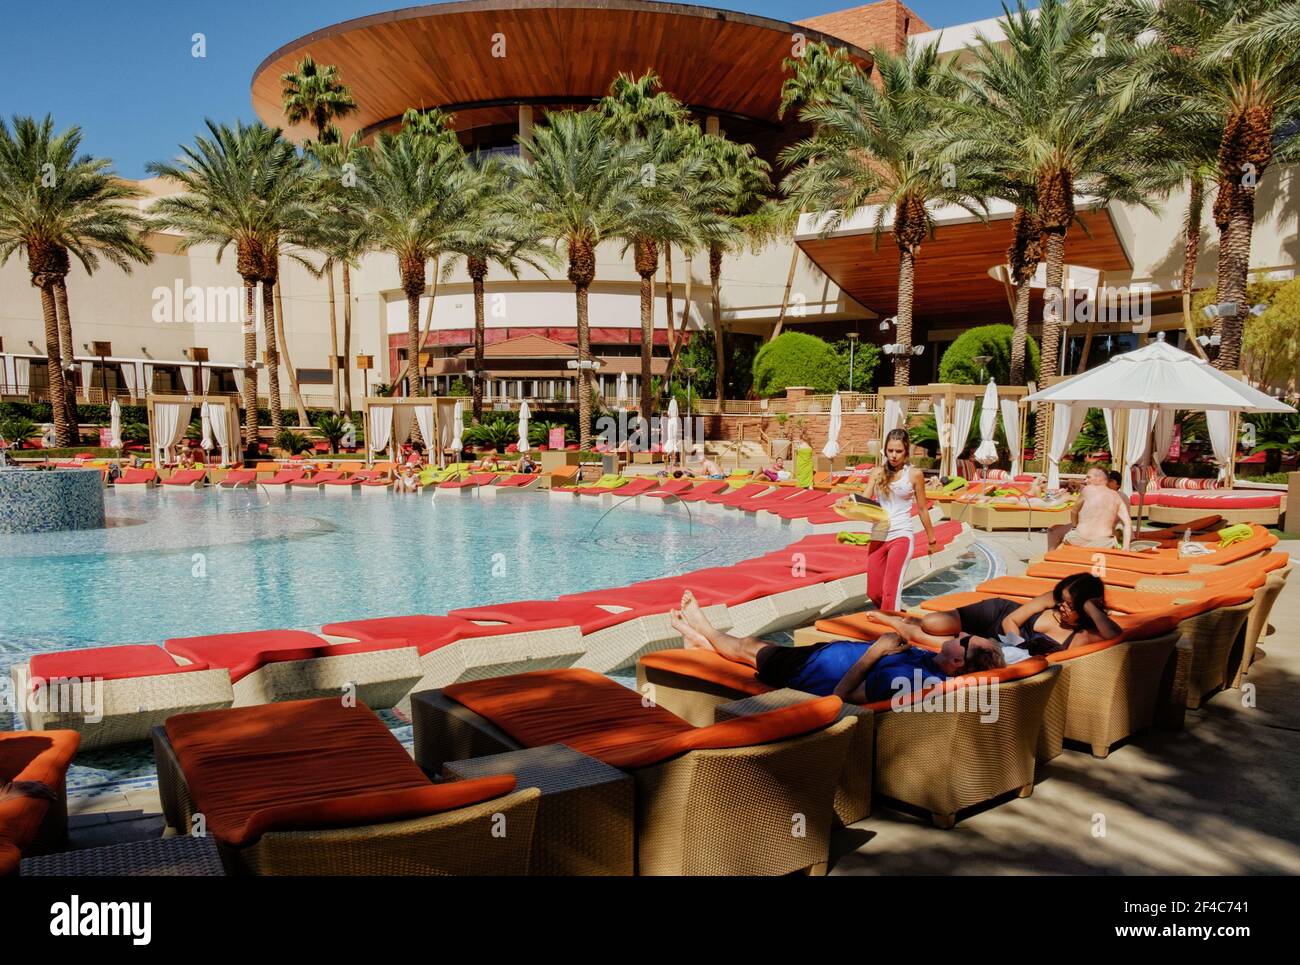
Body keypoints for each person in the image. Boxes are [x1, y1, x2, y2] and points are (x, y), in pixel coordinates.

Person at [668, 590, 1004, 704]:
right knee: (760, 646)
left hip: (805, 671)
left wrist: (876, 651)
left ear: (958, 661)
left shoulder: (907, 682)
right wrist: (893, 634)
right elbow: (918, 636)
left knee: (747, 646)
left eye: (963, 639)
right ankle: (702, 642)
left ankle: (705, 628)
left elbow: (841, 699)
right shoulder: (936, 664)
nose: (958, 635)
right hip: (819, 656)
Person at [874, 572, 1122, 657]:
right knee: (931, 623)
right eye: (1062, 601)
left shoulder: (1086, 633)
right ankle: (916, 620)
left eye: (1071, 605)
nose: (1063, 607)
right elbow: (1011, 620)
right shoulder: (1053, 599)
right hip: (997, 615)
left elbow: (1115, 636)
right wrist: (1017, 645)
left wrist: (1090, 606)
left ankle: (897, 624)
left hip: (1001, 646)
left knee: (947, 644)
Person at [835, 428, 938, 612]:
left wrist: (932, 539)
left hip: (901, 536)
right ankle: (894, 615)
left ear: (906, 451)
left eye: (898, 451)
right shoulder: (877, 473)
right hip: (878, 535)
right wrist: (848, 501)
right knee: (873, 591)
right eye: (890, 450)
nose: (894, 455)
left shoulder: (914, 475)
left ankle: (891, 628)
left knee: (891, 591)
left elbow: (922, 508)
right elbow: (865, 500)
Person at [1046, 466, 1132, 550]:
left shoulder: (1088, 490)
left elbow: (1074, 511)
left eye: (1088, 477)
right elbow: (1127, 523)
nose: (1086, 480)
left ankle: (1050, 557)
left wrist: (1075, 526)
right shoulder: (1118, 497)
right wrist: (1126, 547)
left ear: (1100, 479)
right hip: (1103, 543)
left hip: (1078, 539)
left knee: (1054, 535)